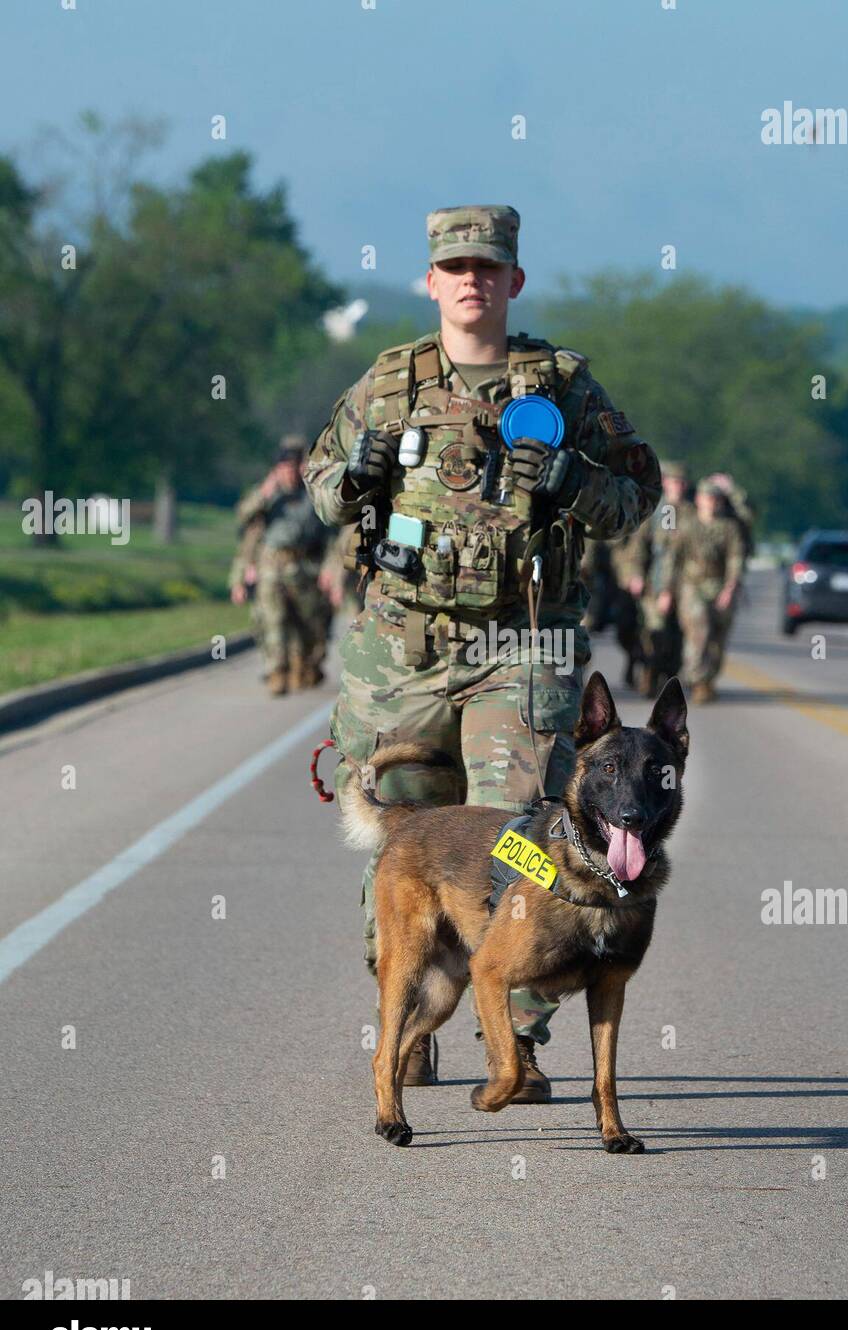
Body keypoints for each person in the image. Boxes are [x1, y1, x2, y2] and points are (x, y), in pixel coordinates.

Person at [304, 205, 661, 1095]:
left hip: (522, 641)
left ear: (515, 281)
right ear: (430, 280)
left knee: (524, 839)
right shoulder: (387, 385)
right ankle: (417, 1017)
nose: (472, 280)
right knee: (409, 832)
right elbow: (319, 490)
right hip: (404, 647)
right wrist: (356, 473)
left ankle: (522, 1035)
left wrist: (575, 480)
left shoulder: (564, 385)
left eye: (489, 267)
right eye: (455, 266)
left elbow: (637, 496)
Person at [234, 436, 335, 696]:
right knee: (273, 620)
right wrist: (265, 492)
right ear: (277, 470)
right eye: (284, 469)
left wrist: (329, 570)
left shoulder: (311, 494)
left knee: (309, 621)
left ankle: (304, 665)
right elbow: (244, 516)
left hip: (304, 566)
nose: (289, 474)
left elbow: (329, 530)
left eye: (293, 468)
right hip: (271, 565)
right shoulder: (267, 495)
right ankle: (277, 672)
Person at [661, 476, 747, 705]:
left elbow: (735, 560)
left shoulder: (730, 528)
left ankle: (709, 679)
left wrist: (730, 589)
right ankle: (698, 680)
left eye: (716, 499)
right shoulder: (687, 525)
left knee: (718, 638)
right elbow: (673, 559)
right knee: (699, 632)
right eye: (707, 498)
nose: (711, 503)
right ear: (699, 499)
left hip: (720, 586)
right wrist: (667, 590)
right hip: (692, 586)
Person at [613, 460, 688, 695]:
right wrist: (635, 575)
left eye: (682, 483)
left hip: (686, 587)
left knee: (677, 641)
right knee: (653, 634)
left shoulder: (693, 512)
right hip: (657, 586)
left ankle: (666, 678)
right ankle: (650, 675)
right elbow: (639, 547)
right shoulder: (662, 511)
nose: (679, 487)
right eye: (675, 482)